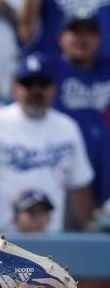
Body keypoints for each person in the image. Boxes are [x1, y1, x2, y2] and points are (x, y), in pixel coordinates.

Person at [0, 53, 95, 232]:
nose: (36, 90)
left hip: (51, 240)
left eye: (43, 84)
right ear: (15, 88)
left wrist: (89, 230)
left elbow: (78, 184)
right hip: (2, 238)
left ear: (54, 88)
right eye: (29, 84)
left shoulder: (68, 127)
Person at [47, 14, 110, 207]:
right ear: (61, 38)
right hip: (67, 165)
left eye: (89, 33)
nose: (82, 39)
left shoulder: (106, 68)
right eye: (75, 32)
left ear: (99, 39)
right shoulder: (48, 70)